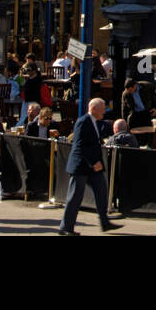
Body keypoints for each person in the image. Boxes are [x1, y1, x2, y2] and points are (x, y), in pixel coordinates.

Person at [57, 98, 123, 236]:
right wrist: (93, 162)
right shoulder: (83, 122)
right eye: (102, 108)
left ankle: (104, 222)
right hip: (81, 165)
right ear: (94, 109)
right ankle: (65, 227)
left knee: (101, 191)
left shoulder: (95, 122)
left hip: (93, 166)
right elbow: (80, 146)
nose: (104, 111)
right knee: (75, 197)